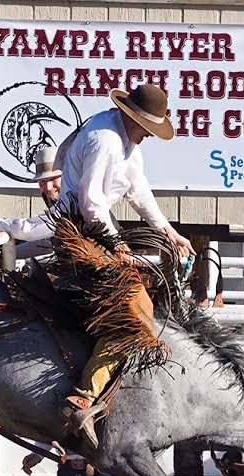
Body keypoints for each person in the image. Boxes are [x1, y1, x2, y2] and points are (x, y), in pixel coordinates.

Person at [52, 83, 194, 449]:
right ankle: (85, 395)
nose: (149, 134)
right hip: (81, 230)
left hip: (90, 228)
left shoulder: (123, 139)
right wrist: (117, 245)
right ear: (133, 118)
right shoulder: (106, 142)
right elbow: (92, 204)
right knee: (132, 309)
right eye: (147, 127)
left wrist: (168, 232)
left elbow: (138, 191)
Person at [0, 144, 62, 259]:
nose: (48, 187)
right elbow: (47, 240)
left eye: (53, 178)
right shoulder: (62, 200)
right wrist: (7, 255)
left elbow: (28, 229)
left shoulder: (74, 200)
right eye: (42, 181)